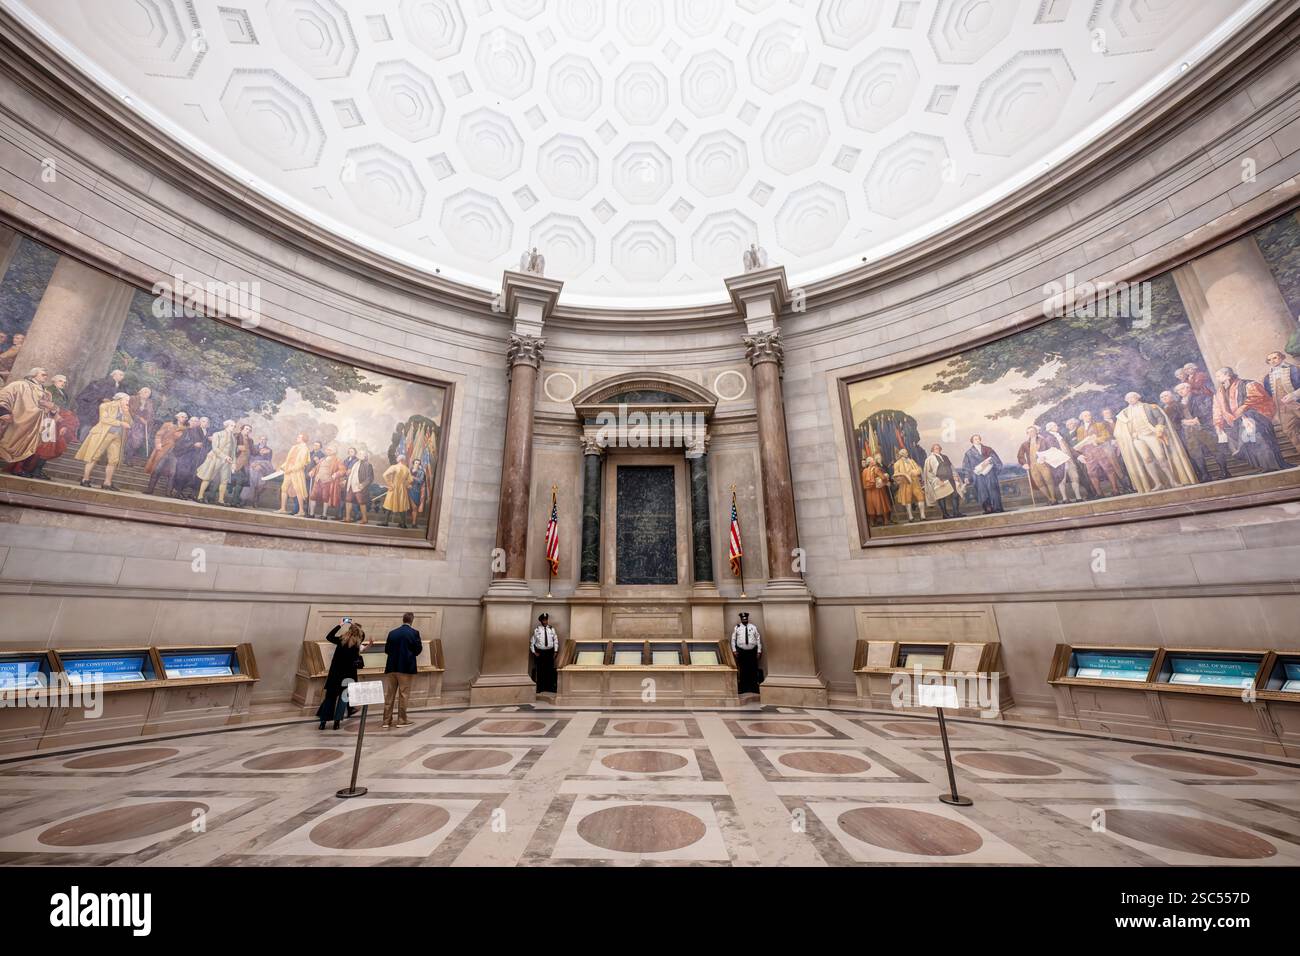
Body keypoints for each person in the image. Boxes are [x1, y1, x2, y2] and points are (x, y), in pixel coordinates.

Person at [1113, 391, 1198, 492]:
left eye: (1133, 397)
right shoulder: (1125, 413)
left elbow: (1160, 417)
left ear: (1137, 397)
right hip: (1138, 438)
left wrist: (1159, 427)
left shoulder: (1149, 407)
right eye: (1129, 398)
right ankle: (1158, 483)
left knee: (1161, 457)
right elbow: (1122, 429)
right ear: (1126, 400)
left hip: (1151, 435)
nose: (1131, 399)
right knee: (1147, 459)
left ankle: (1173, 481)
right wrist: (1131, 434)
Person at [1213, 366, 1288, 473]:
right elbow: (1217, 409)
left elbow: (1258, 397)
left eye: (1219, 376)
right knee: (1251, 444)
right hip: (1237, 421)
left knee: (1261, 441)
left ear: (1228, 375)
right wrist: (1218, 424)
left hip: (1255, 418)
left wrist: (1243, 408)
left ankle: (1272, 465)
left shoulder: (1248, 384)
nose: (1217, 378)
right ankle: (1262, 466)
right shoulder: (1219, 392)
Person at [317, 619, 371, 730]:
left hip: (335, 674)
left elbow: (329, 636)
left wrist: (340, 624)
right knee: (343, 699)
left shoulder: (341, 639)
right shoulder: (357, 644)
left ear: (349, 630)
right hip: (348, 676)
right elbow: (362, 636)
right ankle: (336, 723)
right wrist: (357, 628)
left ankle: (323, 722)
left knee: (330, 698)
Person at [75, 392, 132, 490]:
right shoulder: (105, 406)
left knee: (114, 460)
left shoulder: (125, 409)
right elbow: (104, 419)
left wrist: (126, 413)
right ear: (119, 399)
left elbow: (130, 423)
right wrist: (120, 423)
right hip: (103, 434)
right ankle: (85, 479)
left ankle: (107, 483)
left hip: (117, 436)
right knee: (94, 457)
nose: (128, 402)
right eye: (126, 400)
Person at [381, 611, 422, 729]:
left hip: (391, 668)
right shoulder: (414, 633)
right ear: (412, 620)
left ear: (403, 619)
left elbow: (387, 650)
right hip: (405, 668)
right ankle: (401, 720)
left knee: (390, 694)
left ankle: (386, 721)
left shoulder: (392, 633)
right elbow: (418, 650)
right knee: (403, 694)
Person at [1263, 350, 1300, 454]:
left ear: (1282, 358)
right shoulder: (1267, 378)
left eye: (1275, 358)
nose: (1272, 361)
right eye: (1269, 360)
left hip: (1297, 404)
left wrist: (1294, 395)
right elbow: (1269, 395)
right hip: (1283, 409)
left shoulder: (1295, 370)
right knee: (1289, 431)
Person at [74, 368, 125, 441]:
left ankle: (84, 440)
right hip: (94, 405)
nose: (122, 377)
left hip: (101, 407)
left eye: (122, 375)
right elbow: (96, 392)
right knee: (89, 423)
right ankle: (81, 439)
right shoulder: (106, 381)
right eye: (120, 375)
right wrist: (102, 398)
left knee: (93, 424)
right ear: (114, 375)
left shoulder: (116, 384)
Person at [196, 419, 239, 504]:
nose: (233, 428)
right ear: (226, 426)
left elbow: (233, 452)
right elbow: (215, 448)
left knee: (224, 481)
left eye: (234, 426)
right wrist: (224, 456)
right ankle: (200, 496)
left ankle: (221, 500)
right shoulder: (218, 434)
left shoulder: (234, 438)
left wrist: (234, 463)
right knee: (207, 478)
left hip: (227, 462)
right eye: (232, 426)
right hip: (215, 459)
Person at [961, 435, 1004, 514]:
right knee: (982, 492)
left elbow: (995, 459)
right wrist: (967, 476)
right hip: (978, 475)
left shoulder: (988, 449)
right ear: (972, 441)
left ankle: (997, 508)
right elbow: (966, 466)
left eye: (978, 439)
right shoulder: (969, 453)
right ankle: (988, 509)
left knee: (993, 490)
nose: (977, 440)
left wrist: (990, 462)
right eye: (975, 439)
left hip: (990, 473)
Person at [1017, 426, 1059, 505]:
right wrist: (1024, 463)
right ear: (1027, 434)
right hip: (1033, 466)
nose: (1031, 433)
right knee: (1038, 483)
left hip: (1043, 464)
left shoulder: (1043, 440)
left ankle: (1054, 498)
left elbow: (1051, 450)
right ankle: (1049, 499)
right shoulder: (1025, 444)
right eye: (1029, 432)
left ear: (1036, 432)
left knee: (1049, 480)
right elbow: (1020, 456)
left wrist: (1045, 457)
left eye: (1033, 431)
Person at [923, 443, 963, 518]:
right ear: (932, 450)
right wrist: (937, 480)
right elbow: (929, 472)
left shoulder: (945, 457)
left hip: (950, 479)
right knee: (942, 497)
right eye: (935, 448)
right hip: (940, 480)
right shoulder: (930, 459)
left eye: (938, 448)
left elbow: (951, 467)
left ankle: (956, 512)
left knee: (955, 494)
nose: (937, 449)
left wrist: (954, 475)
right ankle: (945, 514)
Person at [277, 432, 312, 515]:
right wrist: (283, 466)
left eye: (299, 437)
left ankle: (301, 511)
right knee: (284, 488)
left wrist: (292, 469)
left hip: (297, 472)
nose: (297, 438)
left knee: (298, 490)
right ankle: (283, 508)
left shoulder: (305, 449)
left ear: (303, 439)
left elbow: (302, 463)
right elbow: (289, 460)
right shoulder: (294, 447)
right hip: (289, 471)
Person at [730, 611, 762, 695]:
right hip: (741, 651)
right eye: (743, 619)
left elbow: (758, 639)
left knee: (753, 669)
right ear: (741, 619)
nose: (745, 620)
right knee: (743, 669)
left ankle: (754, 688)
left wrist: (759, 651)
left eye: (746, 618)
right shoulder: (737, 627)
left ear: (747, 618)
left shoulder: (753, 627)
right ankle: (743, 688)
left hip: (752, 651)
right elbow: (733, 639)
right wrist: (734, 650)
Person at [891, 448, 926, 521]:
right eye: (905, 452)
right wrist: (904, 474)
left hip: (915, 482)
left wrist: (914, 472)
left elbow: (919, 469)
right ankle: (910, 516)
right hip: (905, 483)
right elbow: (895, 474)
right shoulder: (897, 463)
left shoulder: (912, 461)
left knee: (920, 497)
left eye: (906, 452)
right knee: (907, 499)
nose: (907, 453)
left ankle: (922, 515)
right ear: (902, 454)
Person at [380, 454, 415, 528]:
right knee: (402, 506)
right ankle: (403, 524)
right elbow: (410, 480)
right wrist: (405, 484)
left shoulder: (394, 467)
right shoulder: (406, 469)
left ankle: (386, 522)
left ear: (398, 460)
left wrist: (390, 484)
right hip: (402, 490)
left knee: (389, 505)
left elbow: (385, 475)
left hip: (394, 488)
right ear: (403, 460)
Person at [530, 612, 559, 694]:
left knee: (549, 670)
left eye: (546, 620)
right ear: (541, 621)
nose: (545, 621)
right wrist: (534, 652)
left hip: (550, 652)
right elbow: (532, 642)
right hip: (541, 652)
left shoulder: (551, 629)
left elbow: (555, 640)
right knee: (541, 670)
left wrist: (555, 651)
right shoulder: (537, 630)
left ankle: (550, 687)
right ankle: (540, 687)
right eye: (544, 620)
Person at [342, 450, 374, 524]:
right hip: (351, 485)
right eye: (359, 453)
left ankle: (365, 519)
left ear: (365, 456)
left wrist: (363, 485)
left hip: (359, 487)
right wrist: (345, 480)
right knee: (348, 500)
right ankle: (348, 518)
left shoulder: (367, 464)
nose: (359, 454)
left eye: (361, 453)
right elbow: (351, 474)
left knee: (362, 502)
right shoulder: (355, 463)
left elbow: (370, 478)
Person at [860, 454, 891, 526]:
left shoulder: (864, 471)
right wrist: (886, 477)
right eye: (873, 460)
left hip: (869, 491)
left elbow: (864, 482)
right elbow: (883, 478)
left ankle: (872, 522)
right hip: (877, 490)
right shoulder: (876, 469)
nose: (874, 461)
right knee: (882, 504)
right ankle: (886, 520)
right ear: (871, 462)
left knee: (871, 506)